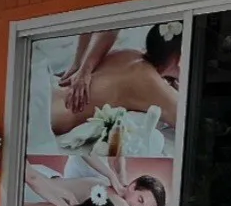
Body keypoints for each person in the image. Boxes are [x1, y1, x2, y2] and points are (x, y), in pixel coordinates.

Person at [49, 22, 184, 137]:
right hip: (52, 114)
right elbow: (186, 119)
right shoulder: (150, 81)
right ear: (181, 58)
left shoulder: (128, 53)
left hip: (49, 94)